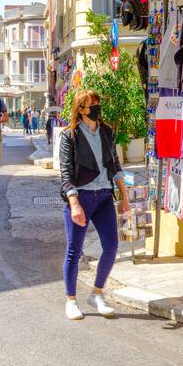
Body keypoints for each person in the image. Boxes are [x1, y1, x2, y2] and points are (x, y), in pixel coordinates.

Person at [58, 89, 130, 320]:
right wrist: (74, 203)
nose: (97, 108)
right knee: (74, 250)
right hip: (82, 198)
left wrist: (125, 198)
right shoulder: (69, 136)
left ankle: (97, 293)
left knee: (111, 246)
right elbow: (66, 173)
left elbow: (115, 165)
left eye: (98, 103)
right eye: (92, 105)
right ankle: (70, 300)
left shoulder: (106, 132)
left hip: (104, 197)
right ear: (81, 109)